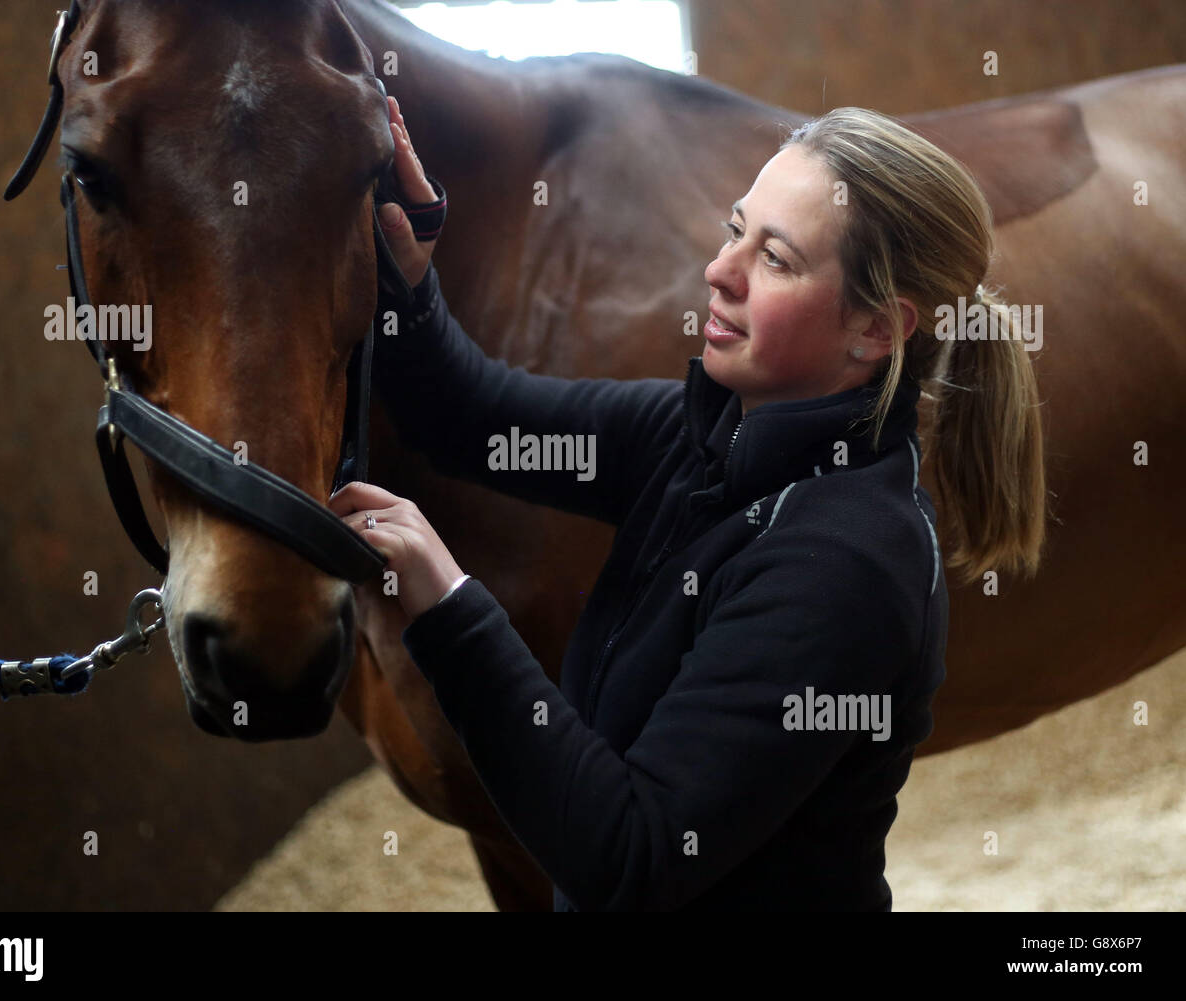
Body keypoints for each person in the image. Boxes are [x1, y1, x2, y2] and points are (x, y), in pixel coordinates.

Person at [328, 96, 1046, 911]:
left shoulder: (846, 561)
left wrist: (449, 607)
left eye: (774, 258)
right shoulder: (697, 432)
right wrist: (409, 276)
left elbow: (633, 856)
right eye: (735, 229)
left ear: (876, 330)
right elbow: (470, 417)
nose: (720, 270)